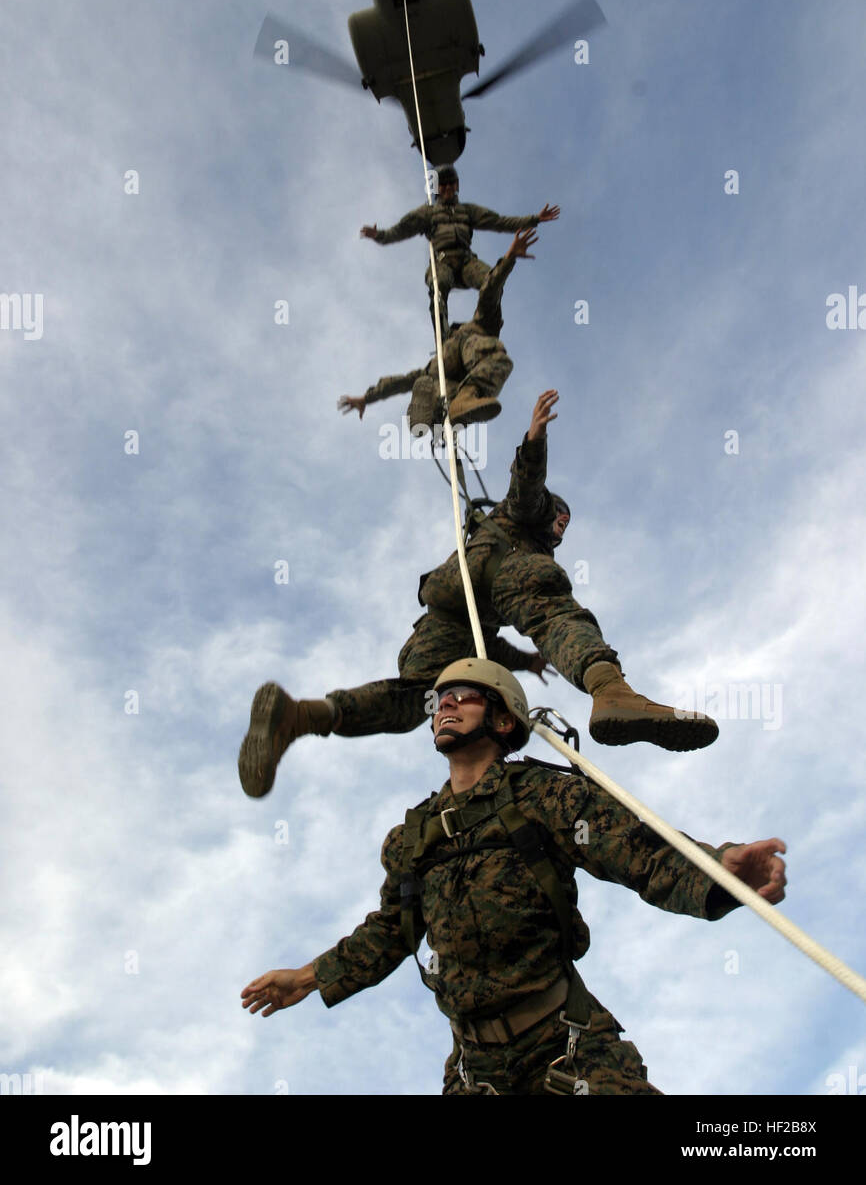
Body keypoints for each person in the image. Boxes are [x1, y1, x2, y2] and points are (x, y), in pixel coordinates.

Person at [241, 659, 787, 1095]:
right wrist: (308, 977)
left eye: (466, 696)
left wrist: (719, 867)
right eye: (441, 699)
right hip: (474, 1072)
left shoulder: (544, 795)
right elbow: (390, 931)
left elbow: (637, 852)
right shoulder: (410, 838)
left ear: (504, 721)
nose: (447, 704)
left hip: (567, 1046)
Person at [237, 391, 717, 799]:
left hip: (454, 594)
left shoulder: (502, 546)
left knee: (421, 697)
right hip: (500, 566)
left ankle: (300, 716)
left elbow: (484, 635)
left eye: (565, 522)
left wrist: (526, 662)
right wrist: (534, 441)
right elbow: (527, 492)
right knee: (553, 606)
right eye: (562, 518)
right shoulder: (530, 525)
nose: (562, 524)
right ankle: (613, 693)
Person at [338, 227, 537, 431]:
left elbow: (401, 382)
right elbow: (490, 291)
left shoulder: (443, 348)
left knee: (432, 386)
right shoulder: (482, 325)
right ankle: (458, 401)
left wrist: (366, 398)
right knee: (498, 359)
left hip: (442, 372)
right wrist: (509, 258)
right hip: (467, 352)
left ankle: (435, 411)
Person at [360, 166, 559, 326]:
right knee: (438, 287)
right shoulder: (427, 213)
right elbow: (401, 230)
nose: (447, 189)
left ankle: (487, 324)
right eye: (442, 186)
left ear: (456, 186)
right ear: (437, 189)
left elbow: (500, 222)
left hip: (465, 261)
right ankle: (443, 333)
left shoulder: (468, 211)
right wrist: (380, 235)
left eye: (450, 184)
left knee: (493, 280)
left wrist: (534, 219)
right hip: (443, 262)